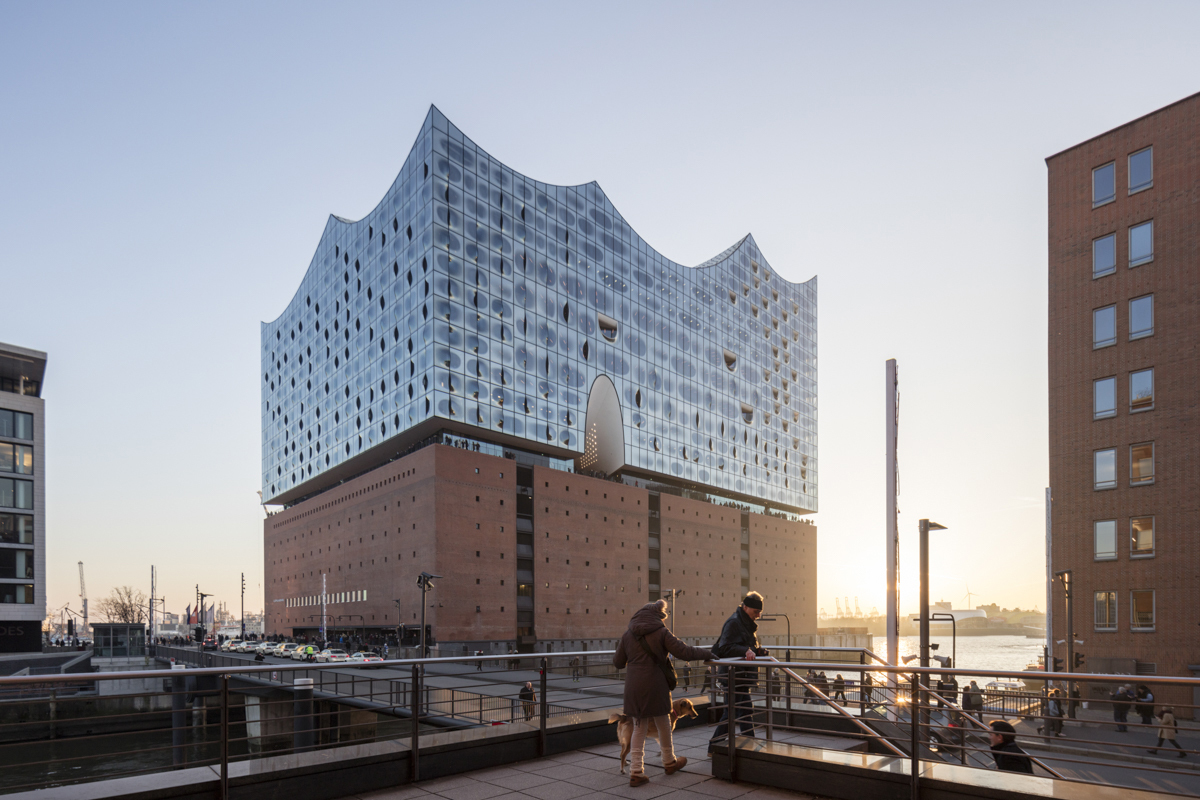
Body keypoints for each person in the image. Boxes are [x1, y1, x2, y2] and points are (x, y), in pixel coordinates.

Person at [614, 599, 713, 787]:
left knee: (639, 727)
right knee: (664, 723)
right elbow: (685, 652)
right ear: (658, 616)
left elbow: (618, 662)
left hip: (634, 689)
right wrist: (709, 654)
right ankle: (669, 762)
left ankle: (636, 772)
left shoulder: (627, 635)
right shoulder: (661, 633)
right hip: (657, 687)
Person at [708, 592, 769, 753]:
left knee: (745, 710)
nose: (758, 615)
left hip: (742, 675)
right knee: (732, 712)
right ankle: (714, 746)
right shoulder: (734, 622)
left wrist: (758, 651)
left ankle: (750, 743)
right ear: (745, 607)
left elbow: (745, 645)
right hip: (733, 676)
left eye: (759, 612)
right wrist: (746, 650)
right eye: (756, 611)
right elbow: (724, 647)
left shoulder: (745, 623)